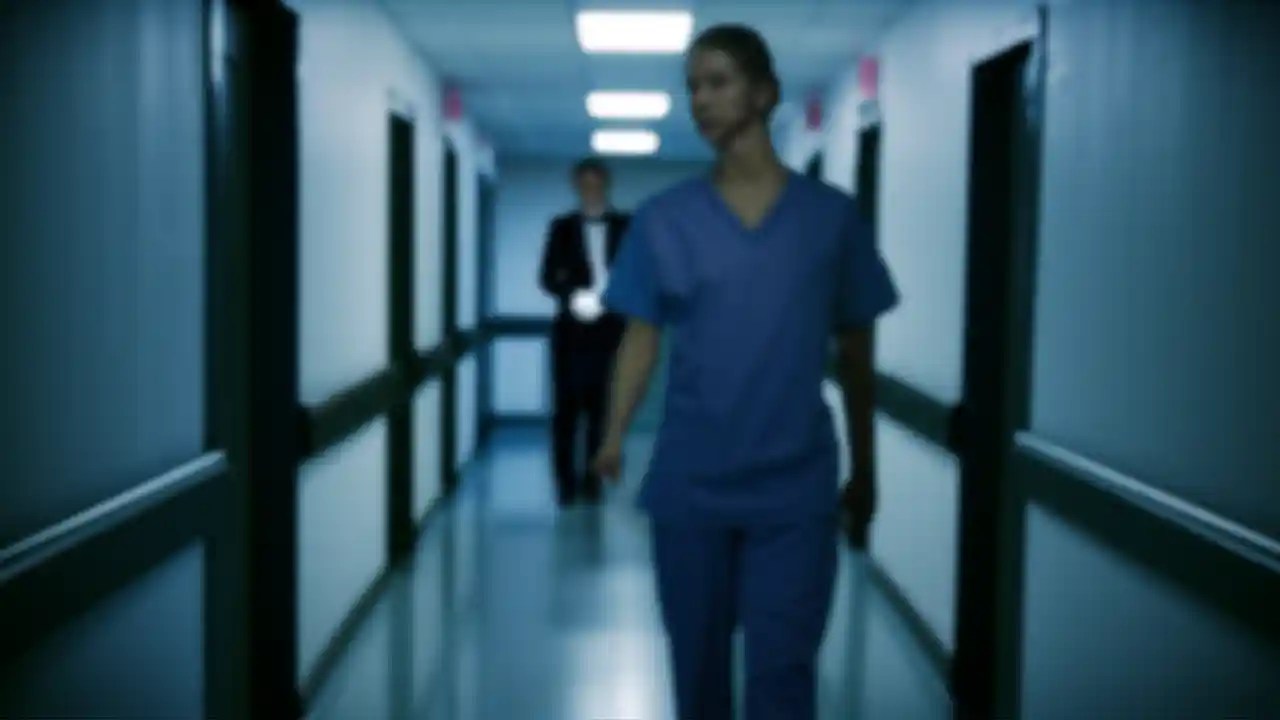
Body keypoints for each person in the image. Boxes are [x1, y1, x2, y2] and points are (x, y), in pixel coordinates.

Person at [592, 24, 898, 720]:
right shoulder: (665, 219)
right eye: (692, 87)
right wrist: (612, 434)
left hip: (795, 489)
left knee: (783, 675)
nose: (700, 100)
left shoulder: (830, 220)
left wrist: (866, 467)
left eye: (718, 82)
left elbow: (858, 355)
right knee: (698, 673)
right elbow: (640, 338)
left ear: (764, 94)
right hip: (691, 486)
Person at [538, 158, 631, 507]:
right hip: (570, 334)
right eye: (585, 185)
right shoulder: (561, 228)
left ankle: (593, 483)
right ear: (576, 187)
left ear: (606, 186)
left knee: (601, 412)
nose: (591, 191)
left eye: (597, 185)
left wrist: (613, 298)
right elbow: (547, 276)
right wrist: (572, 295)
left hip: (611, 331)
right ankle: (565, 484)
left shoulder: (627, 226)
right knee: (565, 412)